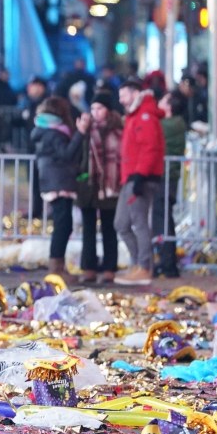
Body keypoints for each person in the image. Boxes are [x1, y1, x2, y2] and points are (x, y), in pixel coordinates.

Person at [114, 78, 164, 286]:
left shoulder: (144, 117)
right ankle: (139, 264)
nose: (121, 100)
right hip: (133, 176)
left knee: (138, 222)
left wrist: (140, 175)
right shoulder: (136, 116)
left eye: (123, 95)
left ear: (135, 94)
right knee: (122, 223)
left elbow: (149, 148)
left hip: (140, 177)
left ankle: (144, 266)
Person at [31, 97, 87, 280]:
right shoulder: (54, 132)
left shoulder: (43, 130)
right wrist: (80, 133)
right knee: (63, 226)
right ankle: (56, 269)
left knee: (64, 225)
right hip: (59, 182)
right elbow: (67, 154)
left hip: (53, 180)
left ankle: (58, 266)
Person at [77, 94, 122, 284]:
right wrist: (80, 133)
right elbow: (78, 153)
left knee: (108, 226)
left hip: (110, 184)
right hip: (89, 184)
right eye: (93, 108)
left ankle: (109, 267)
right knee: (88, 227)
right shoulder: (86, 130)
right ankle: (89, 267)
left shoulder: (117, 130)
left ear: (108, 111)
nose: (95, 113)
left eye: (100, 108)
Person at [153, 92, 186, 278]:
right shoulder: (175, 124)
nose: (159, 103)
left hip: (165, 176)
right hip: (168, 176)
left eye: (163, 101)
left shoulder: (169, 125)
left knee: (163, 219)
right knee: (164, 218)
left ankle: (167, 263)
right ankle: (167, 261)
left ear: (169, 107)